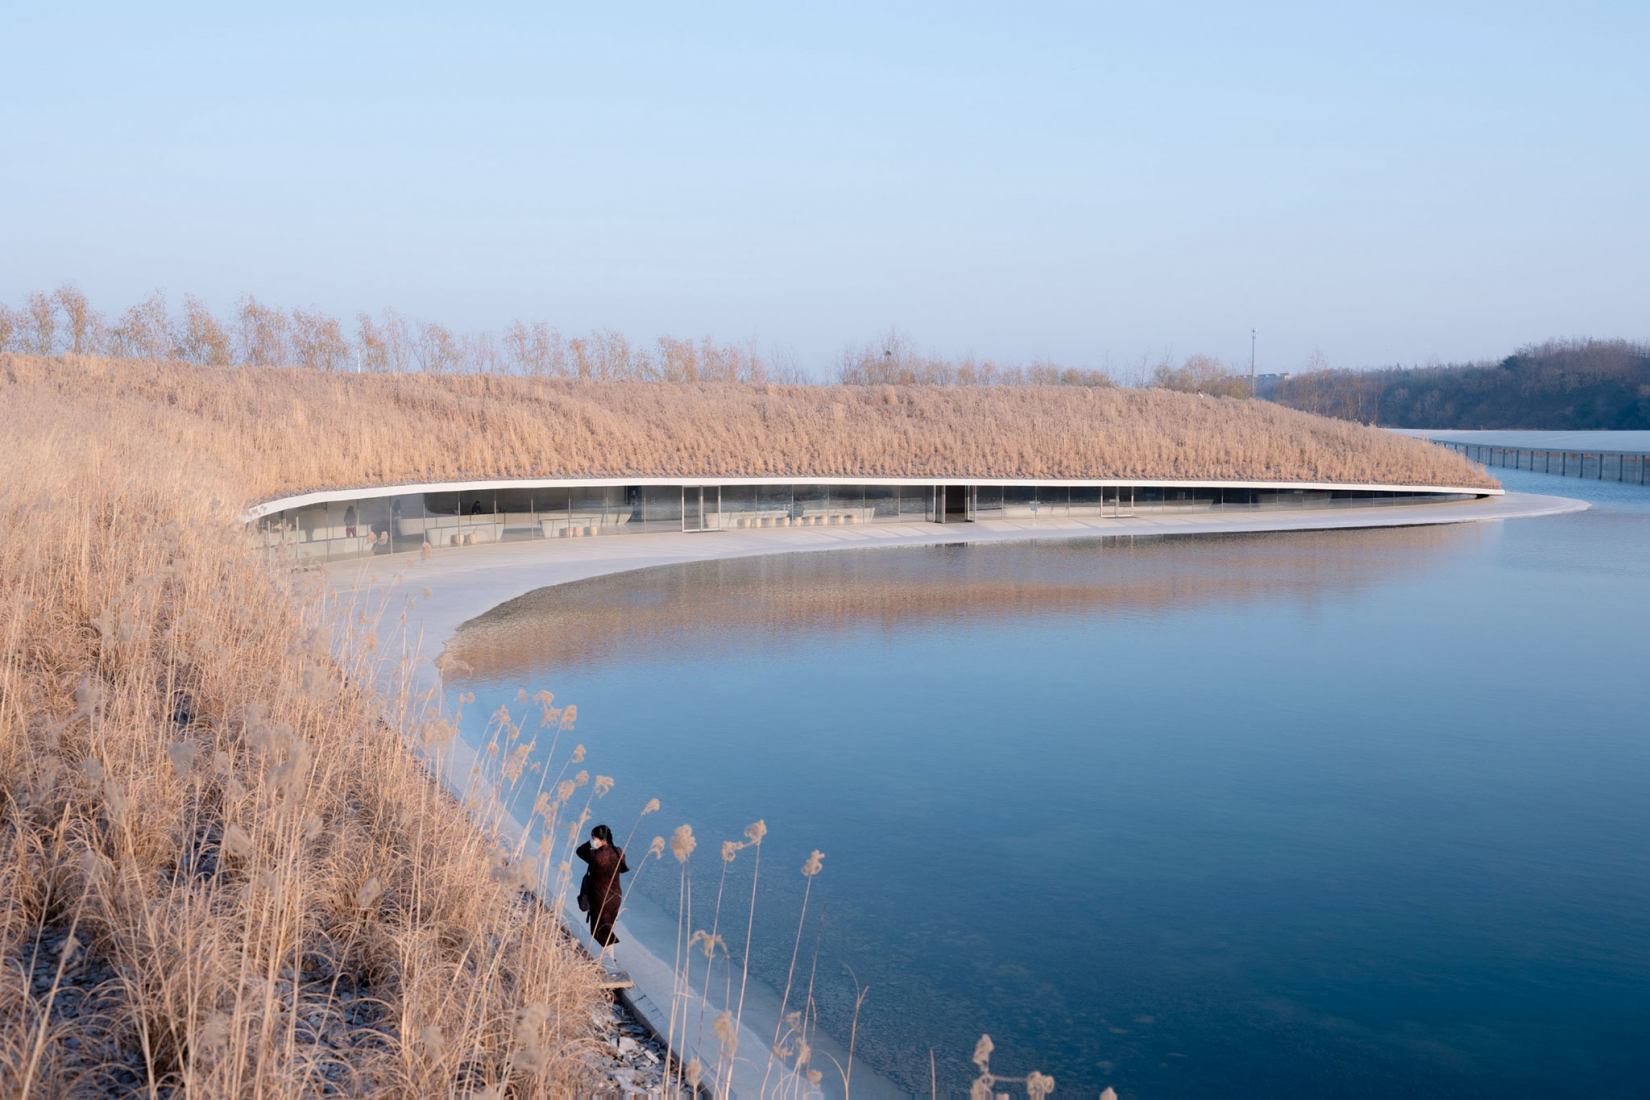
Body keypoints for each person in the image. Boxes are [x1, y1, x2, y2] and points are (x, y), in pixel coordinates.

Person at [575, 824, 629, 962]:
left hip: (600, 898)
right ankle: (609, 958)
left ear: (601, 839)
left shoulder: (595, 855)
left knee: (600, 930)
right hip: (615, 897)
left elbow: (580, 851)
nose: (592, 840)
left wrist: (591, 845)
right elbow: (622, 869)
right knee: (607, 926)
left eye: (593, 837)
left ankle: (608, 961)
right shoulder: (618, 852)